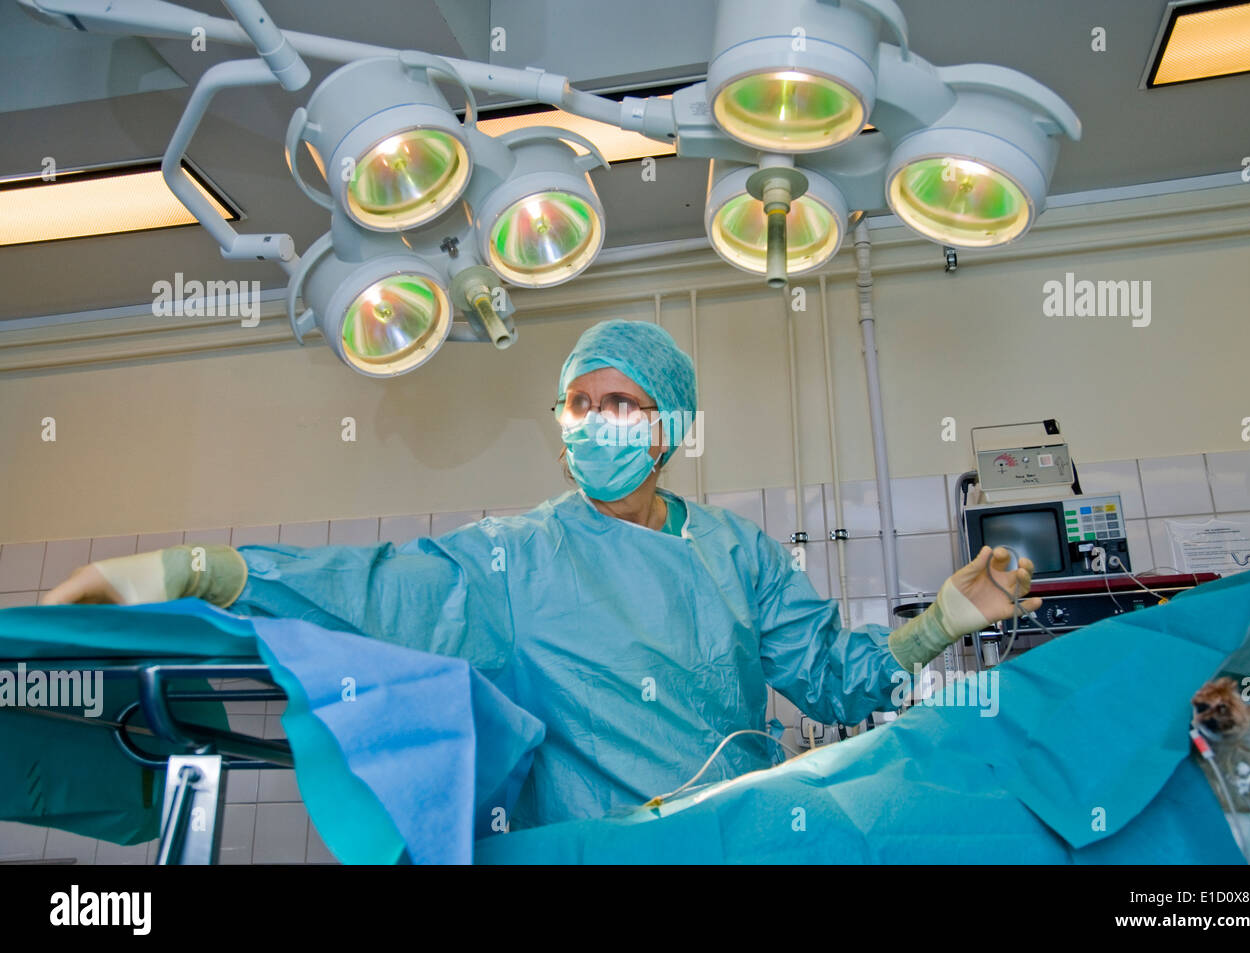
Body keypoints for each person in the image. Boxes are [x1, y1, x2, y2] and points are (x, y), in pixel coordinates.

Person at [42, 319, 1040, 830]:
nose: (595, 420)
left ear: (672, 427)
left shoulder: (738, 553)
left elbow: (840, 678)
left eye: (621, 402)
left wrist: (950, 614)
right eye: (577, 403)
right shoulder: (515, 559)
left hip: (736, 843)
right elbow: (378, 586)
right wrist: (193, 569)